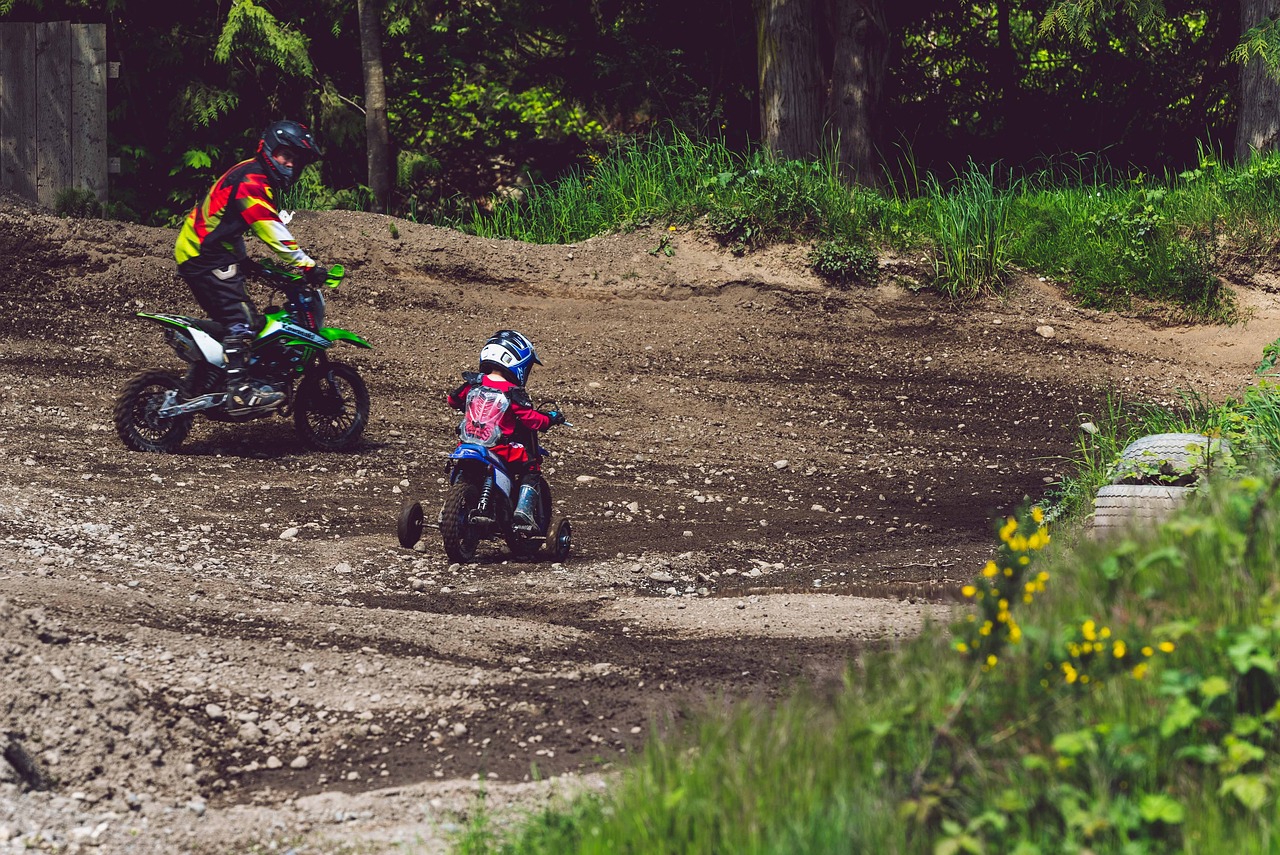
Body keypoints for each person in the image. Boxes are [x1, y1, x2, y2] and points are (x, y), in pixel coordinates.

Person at [173, 119, 324, 412]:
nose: (290, 165)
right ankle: (240, 390)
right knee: (239, 318)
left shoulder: (248, 172)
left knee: (243, 319)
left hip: (206, 250)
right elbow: (268, 226)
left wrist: (246, 262)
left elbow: (226, 220)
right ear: (269, 148)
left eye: (296, 160)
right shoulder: (252, 180)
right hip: (205, 254)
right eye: (286, 156)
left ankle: (207, 375)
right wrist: (306, 264)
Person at [446, 330, 567, 532]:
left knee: (462, 467)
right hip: (499, 448)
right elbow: (531, 420)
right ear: (517, 362)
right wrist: (551, 418)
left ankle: (450, 508)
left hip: (468, 443)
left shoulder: (473, 383)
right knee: (531, 466)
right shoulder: (512, 392)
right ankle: (523, 512)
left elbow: (452, 400)